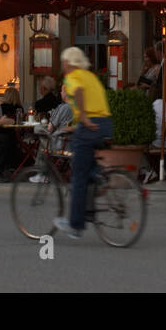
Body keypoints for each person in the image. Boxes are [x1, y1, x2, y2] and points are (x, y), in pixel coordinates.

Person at [53, 46, 113, 240]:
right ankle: (98, 177)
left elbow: (78, 92)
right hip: (105, 124)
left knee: (78, 176)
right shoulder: (91, 76)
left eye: (63, 62)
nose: (62, 66)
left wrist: (84, 118)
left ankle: (75, 225)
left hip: (89, 126)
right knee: (88, 170)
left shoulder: (72, 77)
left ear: (69, 63)